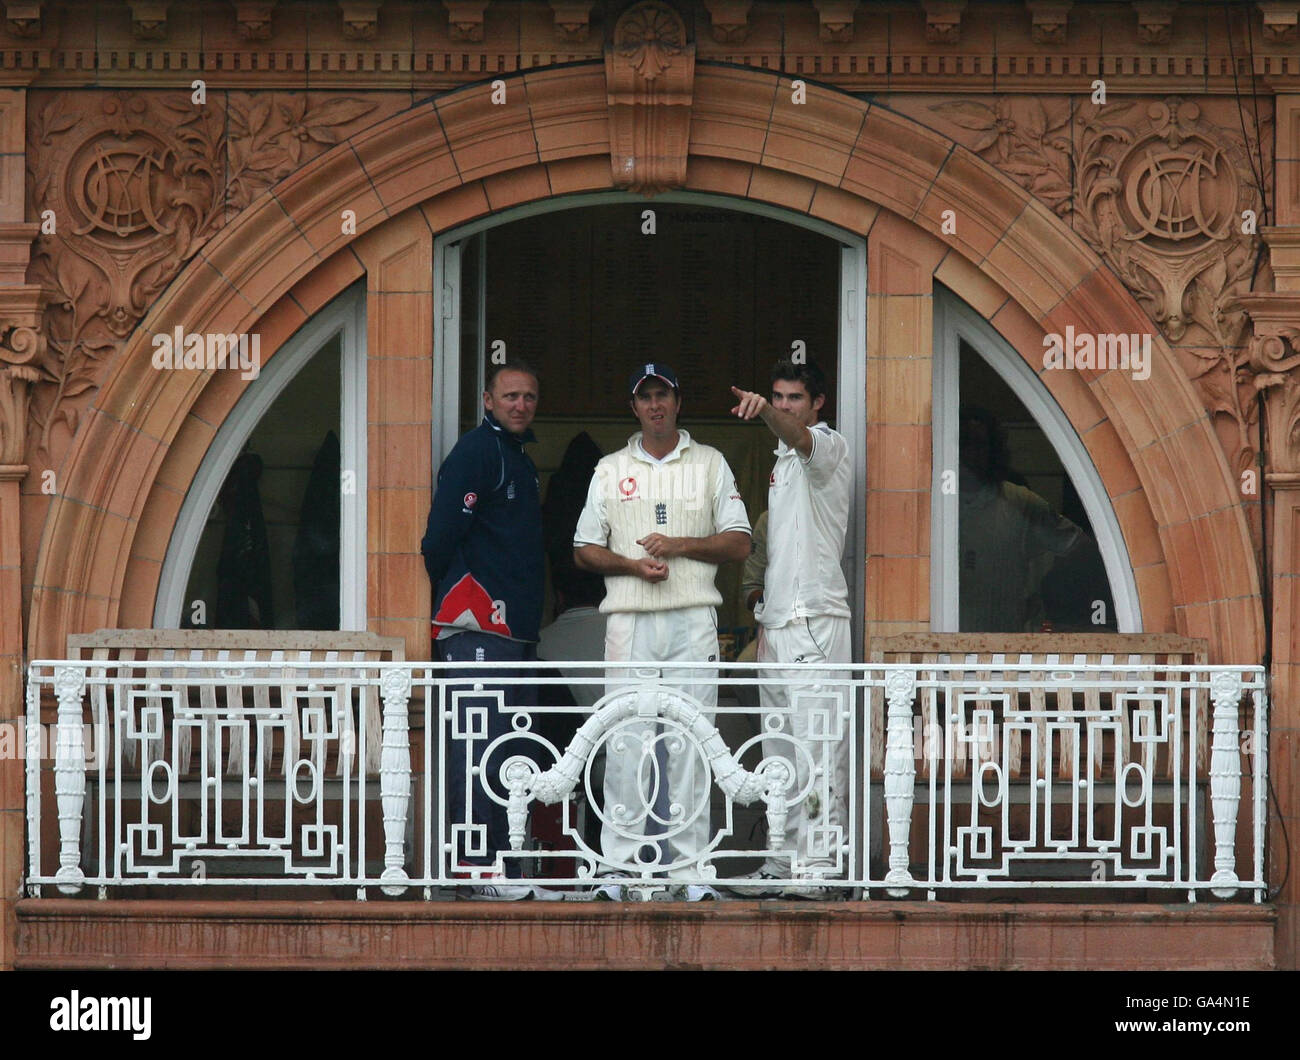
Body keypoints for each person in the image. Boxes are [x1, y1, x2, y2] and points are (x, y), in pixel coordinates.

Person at [573, 363, 751, 901]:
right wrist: (631, 566)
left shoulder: (710, 463)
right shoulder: (609, 467)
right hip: (629, 619)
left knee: (692, 740)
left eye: (663, 395)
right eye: (645, 397)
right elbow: (583, 549)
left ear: (678, 402)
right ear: (634, 407)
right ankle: (620, 868)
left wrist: (679, 545)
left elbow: (739, 541)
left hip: (692, 616)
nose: (655, 405)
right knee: (627, 739)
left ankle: (690, 870)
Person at [421, 359, 558, 901]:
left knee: (507, 753)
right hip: (478, 632)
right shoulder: (478, 451)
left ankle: (502, 868)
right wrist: (469, 604)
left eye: (528, 396)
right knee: (477, 751)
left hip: (514, 635)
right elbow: (438, 540)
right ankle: (475, 869)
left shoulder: (518, 458)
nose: (520, 404)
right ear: (487, 400)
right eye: (510, 396)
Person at [728, 357, 852, 899]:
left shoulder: (829, 447)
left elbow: (797, 436)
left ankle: (820, 867)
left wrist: (764, 416)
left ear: (816, 403)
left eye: (793, 398)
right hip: (775, 628)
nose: (782, 406)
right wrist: (759, 609)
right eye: (775, 397)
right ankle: (781, 862)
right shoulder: (781, 462)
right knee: (778, 753)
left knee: (819, 749)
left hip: (816, 624)